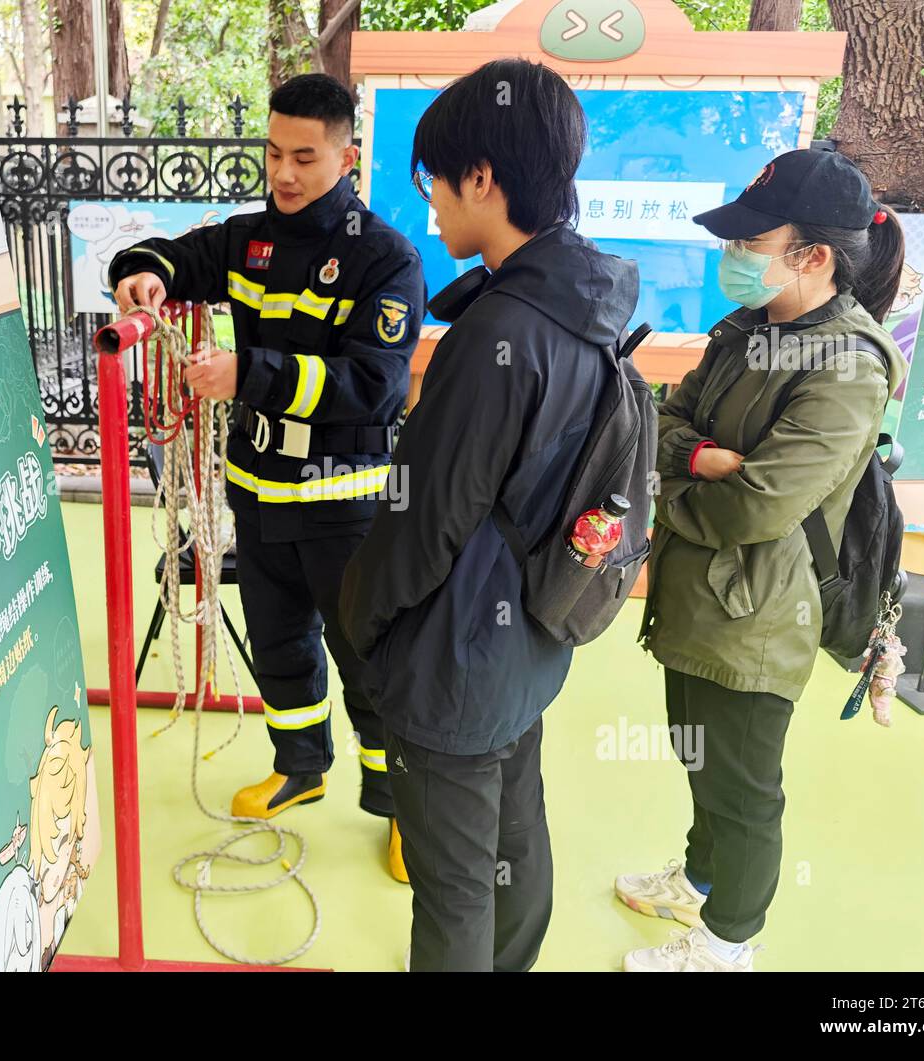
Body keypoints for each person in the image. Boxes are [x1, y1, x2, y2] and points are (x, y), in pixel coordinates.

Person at [339, 58, 640, 971]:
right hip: (527, 636)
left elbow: (424, 519)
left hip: (454, 657)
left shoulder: (500, 334)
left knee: (455, 884)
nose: (428, 202)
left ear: (483, 178)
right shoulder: (588, 304)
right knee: (516, 843)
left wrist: (359, 620)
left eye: (436, 179)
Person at [108, 73, 425, 880]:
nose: (284, 174)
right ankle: (300, 768)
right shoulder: (248, 237)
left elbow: (373, 386)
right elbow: (165, 259)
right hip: (255, 491)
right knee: (280, 642)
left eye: (305, 158)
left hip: (341, 498)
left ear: (347, 157)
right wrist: (140, 277)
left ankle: (400, 806)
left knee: (366, 657)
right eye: (274, 153)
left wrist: (249, 371)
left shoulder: (383, 259)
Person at [620, 148, 907, 971]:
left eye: (750, 239)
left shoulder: (849, 366)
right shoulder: (748, 327)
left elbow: (760, 504)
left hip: (758, 616)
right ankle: (700, 879)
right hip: (695, 592)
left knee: (744, 791)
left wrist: (675, 479)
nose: (732, 255)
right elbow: (666, 422)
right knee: (697, 753)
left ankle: (728, 943)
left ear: (812, 256)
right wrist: (700, 455)